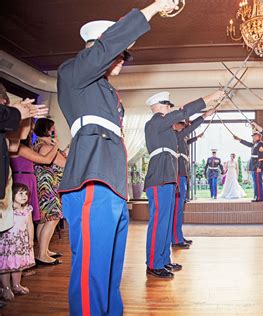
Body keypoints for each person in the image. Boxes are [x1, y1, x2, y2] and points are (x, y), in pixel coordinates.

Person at [56, 1, 178, 314]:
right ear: (99, 47)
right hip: (91, 180)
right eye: (120, 54)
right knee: (91, 273)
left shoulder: (105, 90)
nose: (123, 60)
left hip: (110, 186)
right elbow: (107, 46)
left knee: (110, 271)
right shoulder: (74, 72)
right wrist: (152, 9)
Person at [144, 90, 225, 279]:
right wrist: (209, 97)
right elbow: (183, 112)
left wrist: (204, 116)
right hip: (159, 178)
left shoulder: (166, 129)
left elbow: (186, 131)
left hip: (169, 177)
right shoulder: (155, 122)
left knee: (166, 221)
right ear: (160, 106)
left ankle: (163, 260)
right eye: (168, 106)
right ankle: (154, 263)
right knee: (158, 222)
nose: (169, 109)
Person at [172, 110, 214, 249]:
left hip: (182, 174)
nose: (184, 127)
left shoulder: (180, 137)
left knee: (179, 209)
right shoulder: (177, 135)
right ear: (176, 126)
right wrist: (205, 115)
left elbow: (188, 140)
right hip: (179, 174)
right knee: (177, 209)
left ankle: (178, 235)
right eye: (182, 125)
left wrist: (197, 138)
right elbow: (190, 129)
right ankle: (176, 238)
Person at [33, 118, 67, 265]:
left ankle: (44, 250)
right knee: (53, 218)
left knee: (45, 219)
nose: (56, 130)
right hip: (48, 187)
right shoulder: (46, 147)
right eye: (54, 128)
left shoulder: (41, 144)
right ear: (48, 130)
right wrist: (58, 146)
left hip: (45, 186)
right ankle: (42, 254)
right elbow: (63, 163)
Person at [0, 183, 35, 301]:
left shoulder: (27, 210)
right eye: (20, 193)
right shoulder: (7, 209)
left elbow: (30, 225)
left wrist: (30, 239)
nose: (24, 196)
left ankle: (16, 285)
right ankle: (6, 288)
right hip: (7, 243)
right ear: (12, 194)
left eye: (26, 193)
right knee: (5, 265)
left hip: (20, 243)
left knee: (17, 266)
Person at [234, 131, 263, 202]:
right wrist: (239, 139)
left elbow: (261, 157)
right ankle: (256, 196)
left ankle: (260, 197)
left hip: (257, 167)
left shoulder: (260, 144)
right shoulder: (255, 144)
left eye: (254, 136)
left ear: (258, 136)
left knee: (258, 182)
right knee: (255, 182)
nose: (253, 137)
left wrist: (259, 167)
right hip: (254, 166)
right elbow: (247, 144)